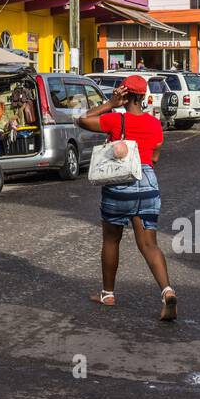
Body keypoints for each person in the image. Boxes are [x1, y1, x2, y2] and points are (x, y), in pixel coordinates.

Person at [77, 75, 177, 321]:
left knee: (111, 240)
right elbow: (154, 158)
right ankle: (167, 291)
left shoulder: (114, 119)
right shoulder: (155, 124)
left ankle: (108, 294)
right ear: (143, 97)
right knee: (149, 245)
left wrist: (110, 104)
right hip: (148, 184)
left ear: (124, 94)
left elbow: (82, 119)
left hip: (121, 185)